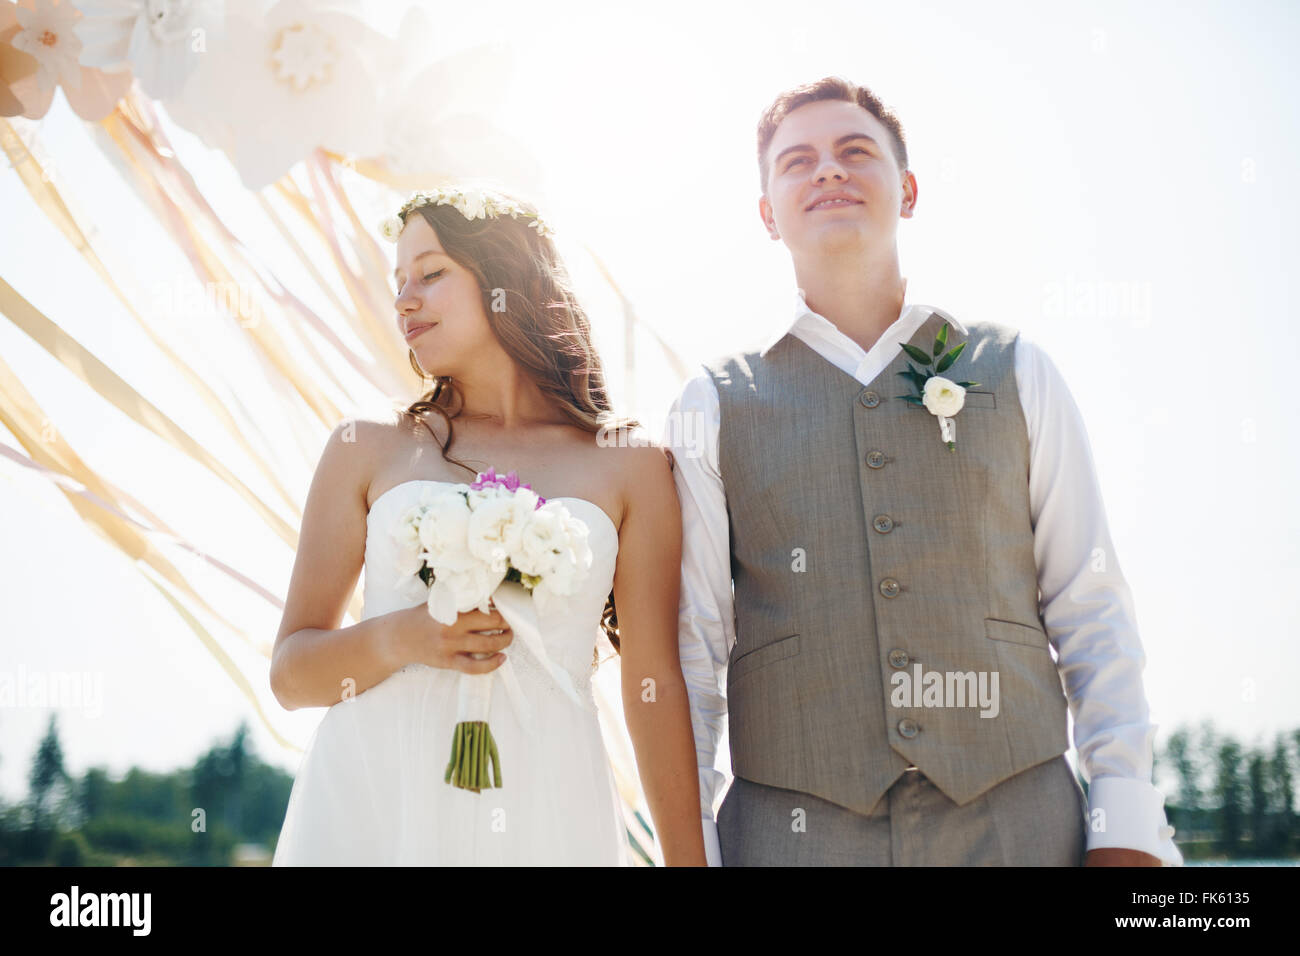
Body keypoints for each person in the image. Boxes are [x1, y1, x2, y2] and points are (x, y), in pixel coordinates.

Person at [665, 76, 1182, 866]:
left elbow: (1090, 601)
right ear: (767, 214)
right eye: (797, 161)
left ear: (906, 190)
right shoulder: (713, 401)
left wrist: (1126, 825)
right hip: (790, 833)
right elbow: (695, 640)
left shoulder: (1016, 368)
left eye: (854, 152)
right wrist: (689, 845)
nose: (828, 171)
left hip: (1021, 818)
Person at [270, 185, 706, 866]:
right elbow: (292, 675)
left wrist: (688, 863)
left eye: (432, 273)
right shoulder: (366, 446)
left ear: (508, 276)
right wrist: (402, 636)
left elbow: (654, 681)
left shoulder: (630, 466)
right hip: (378, 799)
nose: (404, 300)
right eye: (399, 282)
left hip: (548, 803)